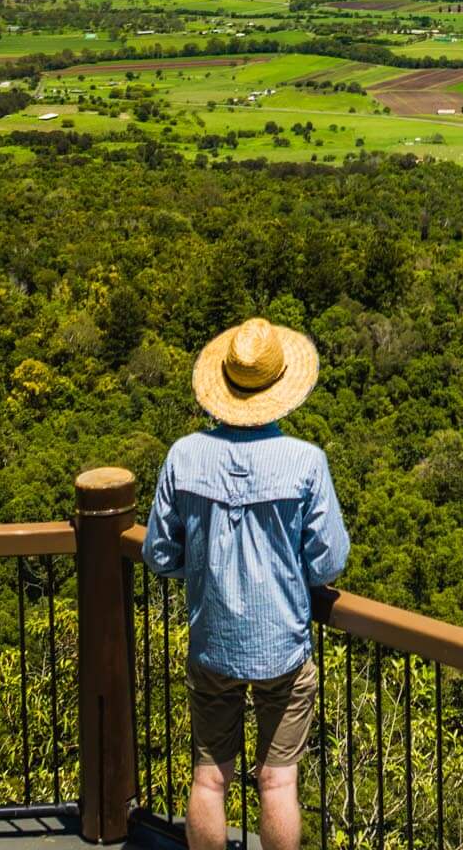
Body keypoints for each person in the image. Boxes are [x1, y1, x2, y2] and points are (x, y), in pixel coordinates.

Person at [143, 317, 349, 850]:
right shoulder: (306, 462)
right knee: (277, 781)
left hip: (211, 641)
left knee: (210, 779)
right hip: (282, 644)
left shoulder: (184, 454)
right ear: (280, 388)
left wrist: (205, 566)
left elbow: (159, 553)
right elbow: (328, 563)